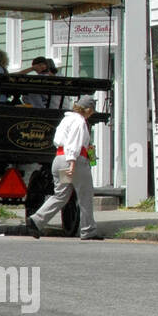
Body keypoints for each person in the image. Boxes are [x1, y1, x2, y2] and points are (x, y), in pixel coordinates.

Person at [27, 95, 100, 240]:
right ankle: (88, 230)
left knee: (61, 195)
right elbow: (74, 144)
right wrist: (72, 163)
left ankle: (36, 220)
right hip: (74, 161)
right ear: (87, 109)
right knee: (85, 195)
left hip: (59, 158)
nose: (91, 114)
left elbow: (59, 141)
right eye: (92, 111)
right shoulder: (79, 122)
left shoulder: (66, 120)